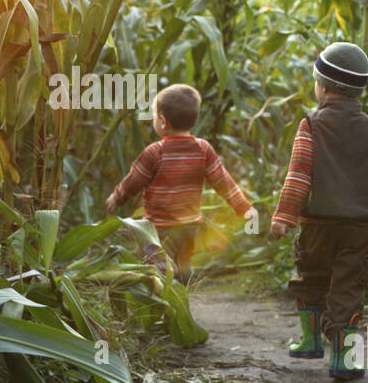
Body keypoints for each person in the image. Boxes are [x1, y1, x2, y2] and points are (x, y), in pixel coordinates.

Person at [268, 42, 368, 379]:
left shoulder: (311, 125)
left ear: (323, 86)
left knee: (310, 278)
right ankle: (343, 358)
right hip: (358, 228)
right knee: (348, 288)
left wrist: (284, 216)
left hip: (316, 225)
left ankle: (311, 340)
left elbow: (298, 175)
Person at [106, 84, 258, 282]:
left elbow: (133, 181)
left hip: (158, 228)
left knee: (157, 271)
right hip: (189, 227)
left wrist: (116, 198)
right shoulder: (203, 149)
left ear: (162, 121)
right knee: (182, 265)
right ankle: (182, 296)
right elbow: (224, 183)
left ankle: (163, 306)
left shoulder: (156, 152)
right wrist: (243, 207)